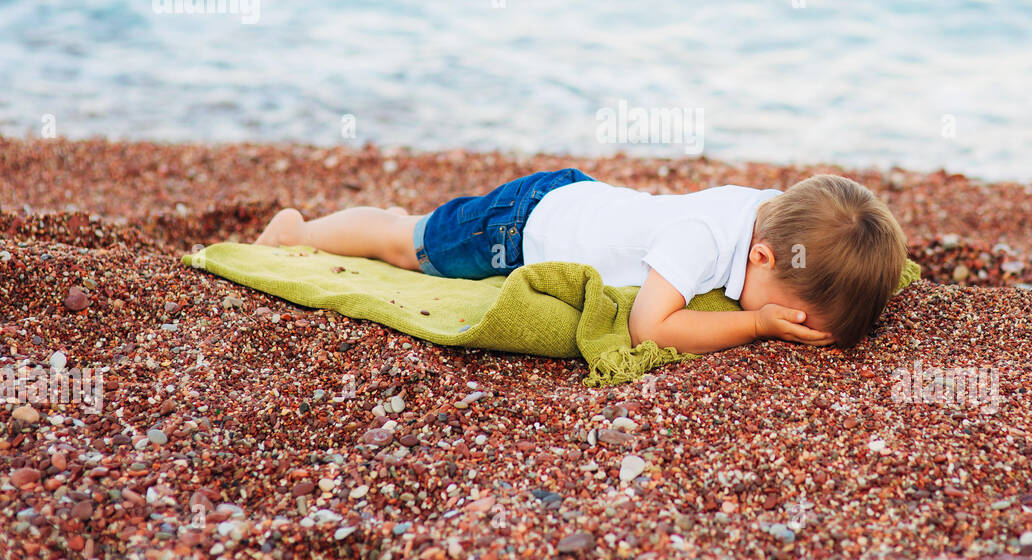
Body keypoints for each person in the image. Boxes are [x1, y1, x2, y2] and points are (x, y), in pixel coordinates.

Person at [254, 168, 909, 355]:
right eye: (786, 307)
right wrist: (757, 324)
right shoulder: (701, 241)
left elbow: (837, 220)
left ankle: (380, 221)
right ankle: (298, 230)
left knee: (417, 227)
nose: (782, 318)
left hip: (580, 198)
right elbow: (649, 328)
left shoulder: (778, 209)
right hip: (518, 228)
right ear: (761, 255)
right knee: (407, 242)